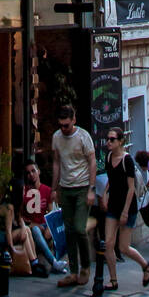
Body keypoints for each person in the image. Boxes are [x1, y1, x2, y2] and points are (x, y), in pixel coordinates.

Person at [50, 105, 96, 287]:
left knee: (79, 228)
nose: (64, 129)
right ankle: (73, 271)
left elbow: (92, 162)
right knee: (68, 230)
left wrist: (91, 188)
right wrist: (54, 188)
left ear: (74, 120)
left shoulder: (84, 137)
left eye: (67, 125)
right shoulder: (56, 138)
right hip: (66, 187)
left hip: (82, 186)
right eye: (61, 125)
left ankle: (85, 267)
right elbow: (56, 163)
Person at [102, 127, 149, 289]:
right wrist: (104, 193)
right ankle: (113, 280)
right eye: (108, 139)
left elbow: (131, 188)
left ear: (121, 141)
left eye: (112, 139)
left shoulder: (127, 160)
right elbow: (111, 178)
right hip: (113, 205)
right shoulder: (109, 157)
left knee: (123, 247)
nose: (108, 142)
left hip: (127, 207)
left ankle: (145, 265)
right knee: (109, 243)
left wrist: (125, 212)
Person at [21, 159, 67, 274]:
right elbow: (21, 216)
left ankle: (56, 261)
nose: (31, 174)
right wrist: (33, 225)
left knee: (48, 231)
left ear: (38, 171)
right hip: (32, 226)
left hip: (45, 224)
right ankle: (54, 262)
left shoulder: (47, 190)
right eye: (28, 173)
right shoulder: (24, 191)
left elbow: (52, 215)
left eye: (33, 171)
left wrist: (49, 228)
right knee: (36, 230)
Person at [0, 181, 49, 276]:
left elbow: (22, 223)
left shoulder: (17, 207)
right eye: (23, 190)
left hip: (10, 234)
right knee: (24, 230)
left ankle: (34, 262)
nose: (25, 193)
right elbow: (8, 232)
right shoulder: (9, 208)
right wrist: (11, 250)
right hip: (0, 237)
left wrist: (22, 224)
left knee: (27, 230)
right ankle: (34, 263)